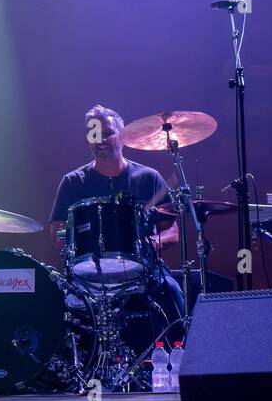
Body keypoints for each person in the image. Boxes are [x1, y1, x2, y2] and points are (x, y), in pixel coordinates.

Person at [49, 104, 185, 322]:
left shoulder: (149, 178)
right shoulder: (73, 182)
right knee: (57, 306)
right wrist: (75, 245)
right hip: (89, 274)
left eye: (107, 134)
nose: (100, 140)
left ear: (122, 136)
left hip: (145, 270)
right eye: (94, 134)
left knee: (171, 291)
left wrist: (150, 245)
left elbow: (172, 231)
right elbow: (56, 233)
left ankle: (181, 354)